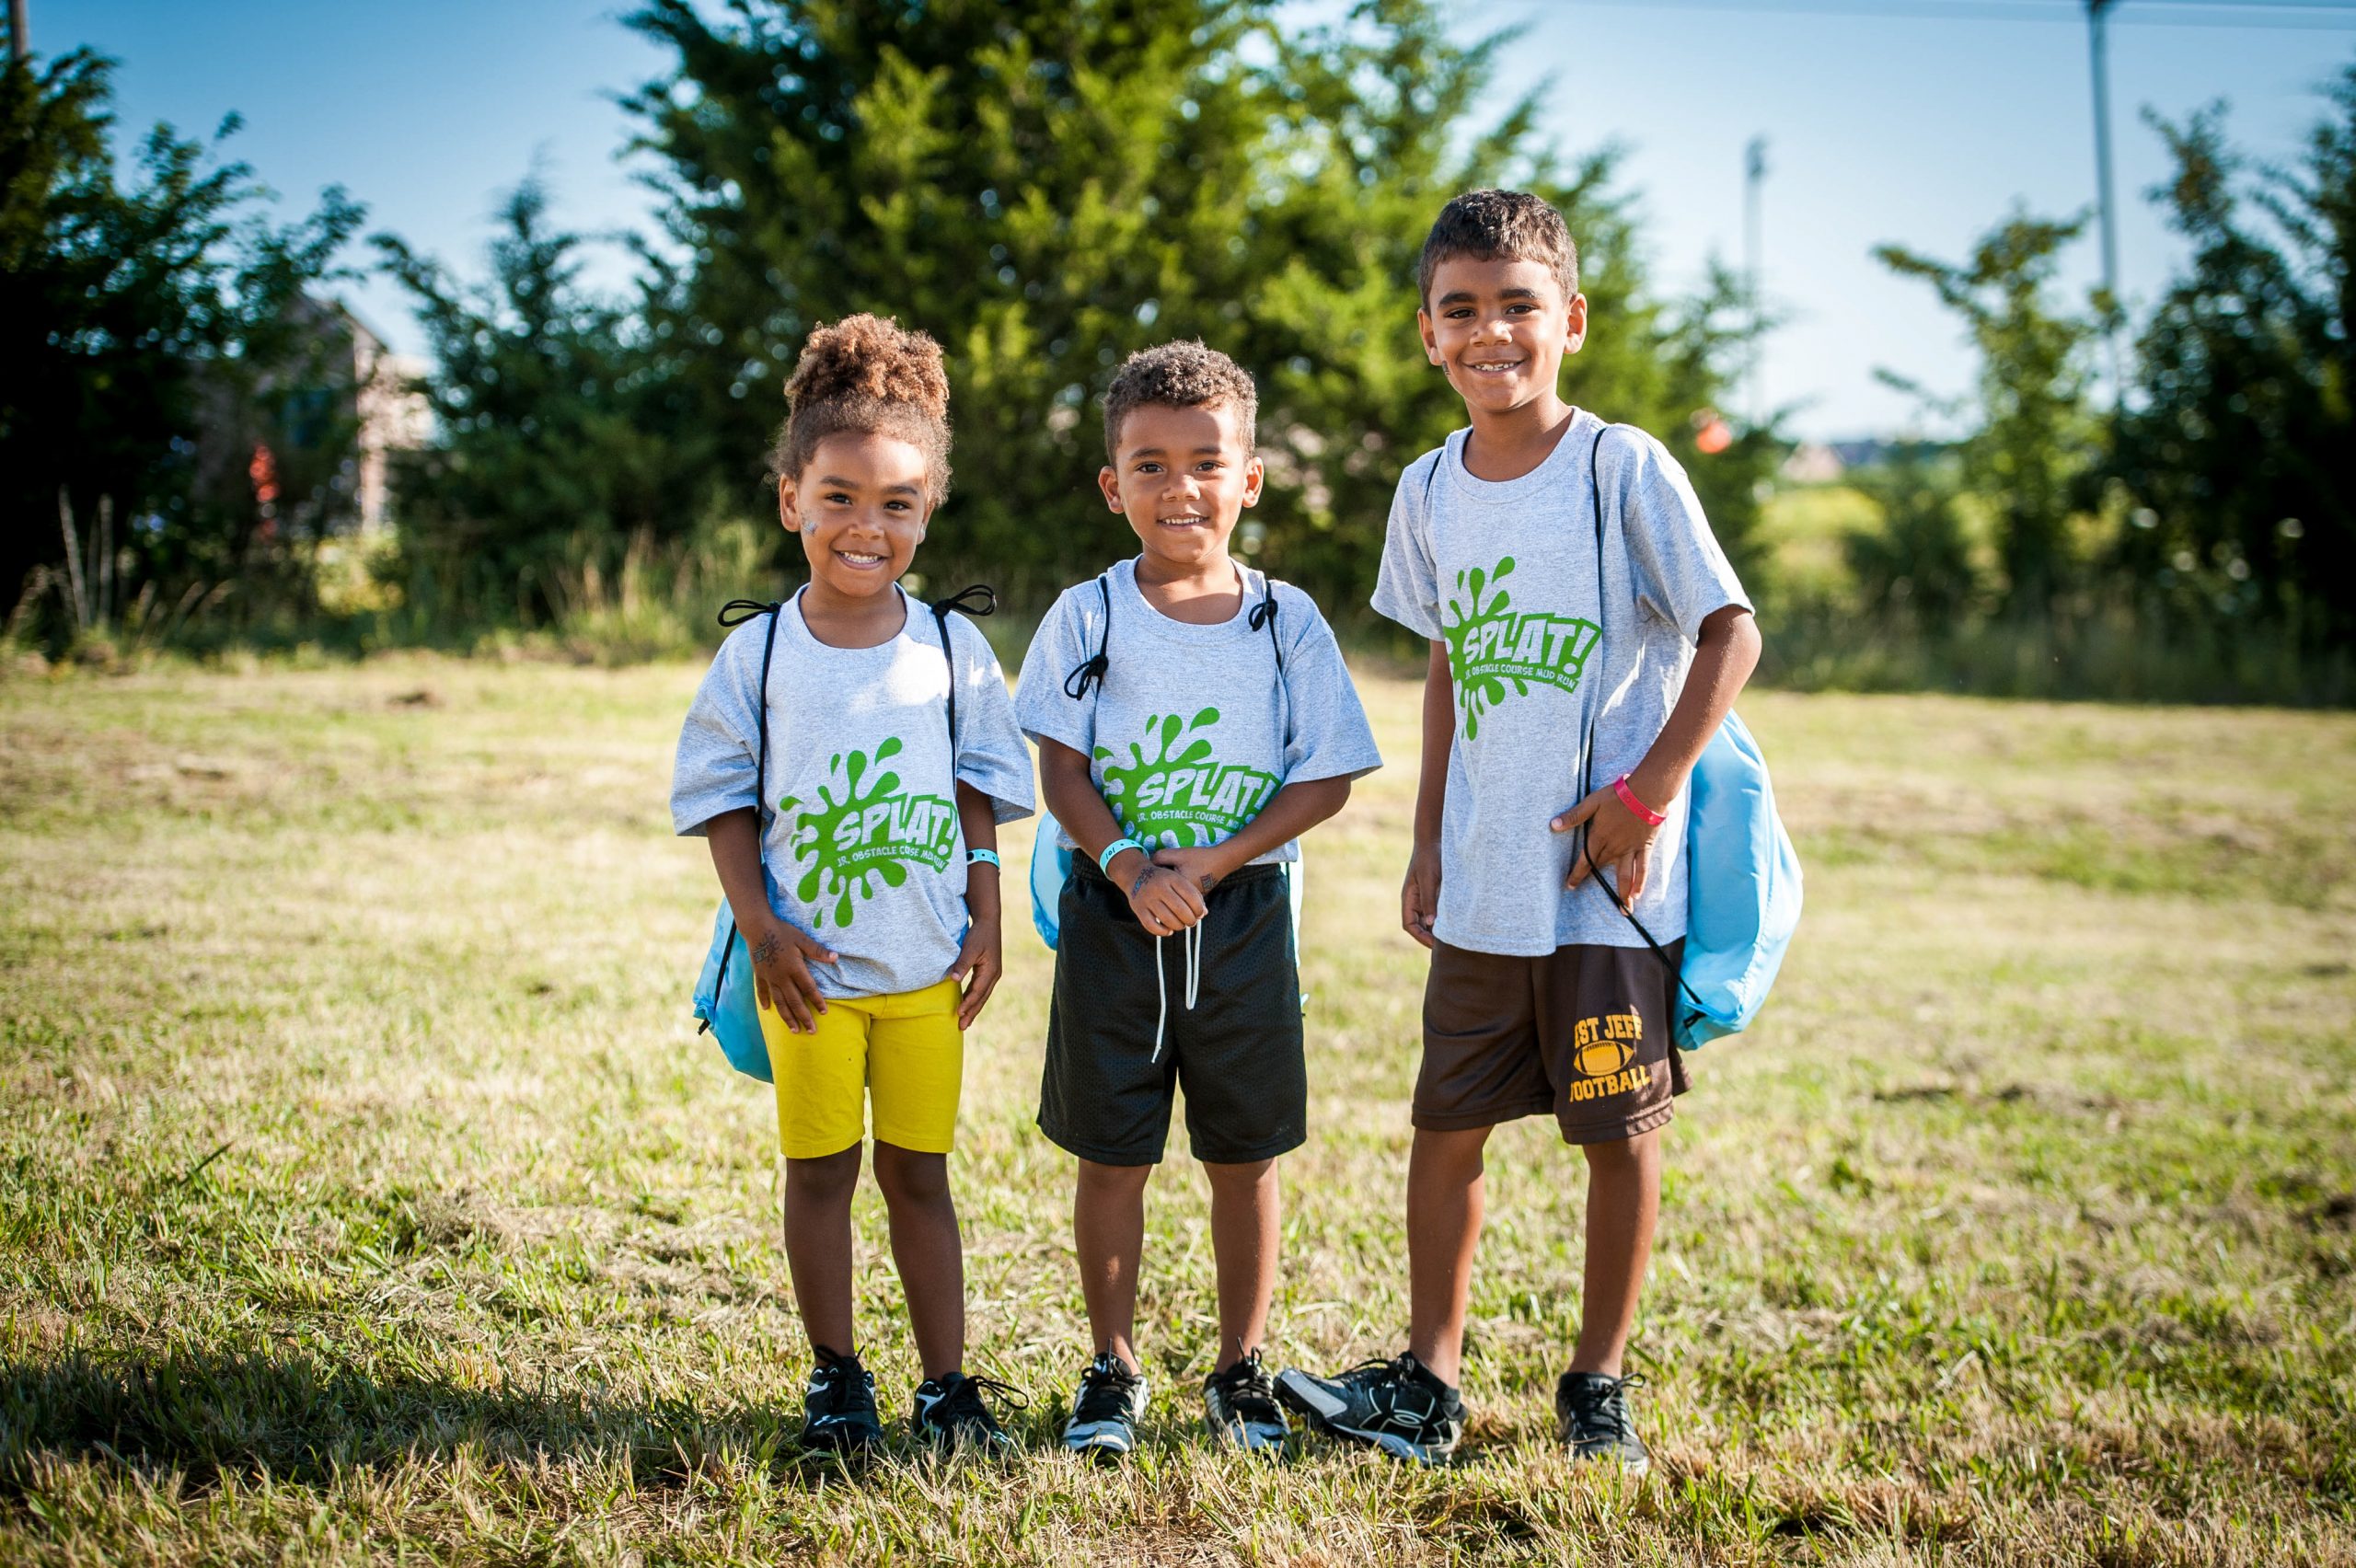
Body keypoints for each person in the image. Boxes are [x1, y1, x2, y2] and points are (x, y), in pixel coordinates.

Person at [1275, 190, 1762, 1470]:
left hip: (1606, 886)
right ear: (1429, 333)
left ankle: (1596, 1383)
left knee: (1618, 1130)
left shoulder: (1622, 467)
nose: (1492, 332)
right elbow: (1446, 663)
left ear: (1572, 320)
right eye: (1462, 311)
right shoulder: (1429, 486)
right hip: (1488, 879)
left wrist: (1647, 793)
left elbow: (1732, 631)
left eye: (1518, 308)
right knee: (1447, 1127)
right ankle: (1427, 1383)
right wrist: (1428, 838)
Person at [671, 315, 1035, 1456]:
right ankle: (836, 1377)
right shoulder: (760, 653)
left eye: (895, 502)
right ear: (790, 500)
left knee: (920, 1178)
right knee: (821, 1172)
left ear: (928, 511)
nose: (864, 525)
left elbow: (979, 788)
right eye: (837, 497)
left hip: (928, 969)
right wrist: (761, 928)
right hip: (808, 979)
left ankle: (946, 1386)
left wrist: (986, 915)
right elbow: (723, 797)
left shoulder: (949, 646)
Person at [1012, 341, 1381, 1457]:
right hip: (1112, 913)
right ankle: (1112, 1369)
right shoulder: (1087, 616)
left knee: (1244, 1154)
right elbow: (1060, 767)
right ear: (1112, 484)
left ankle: (1239, 1369)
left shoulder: (1285, 621)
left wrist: (1209, 864)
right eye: (1151, 465)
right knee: (1111, 1152)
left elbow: (1326, 776)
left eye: (1206, 464)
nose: (1181, 489)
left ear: (1249, 479)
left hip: (1244, 917)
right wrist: (1130, 865)